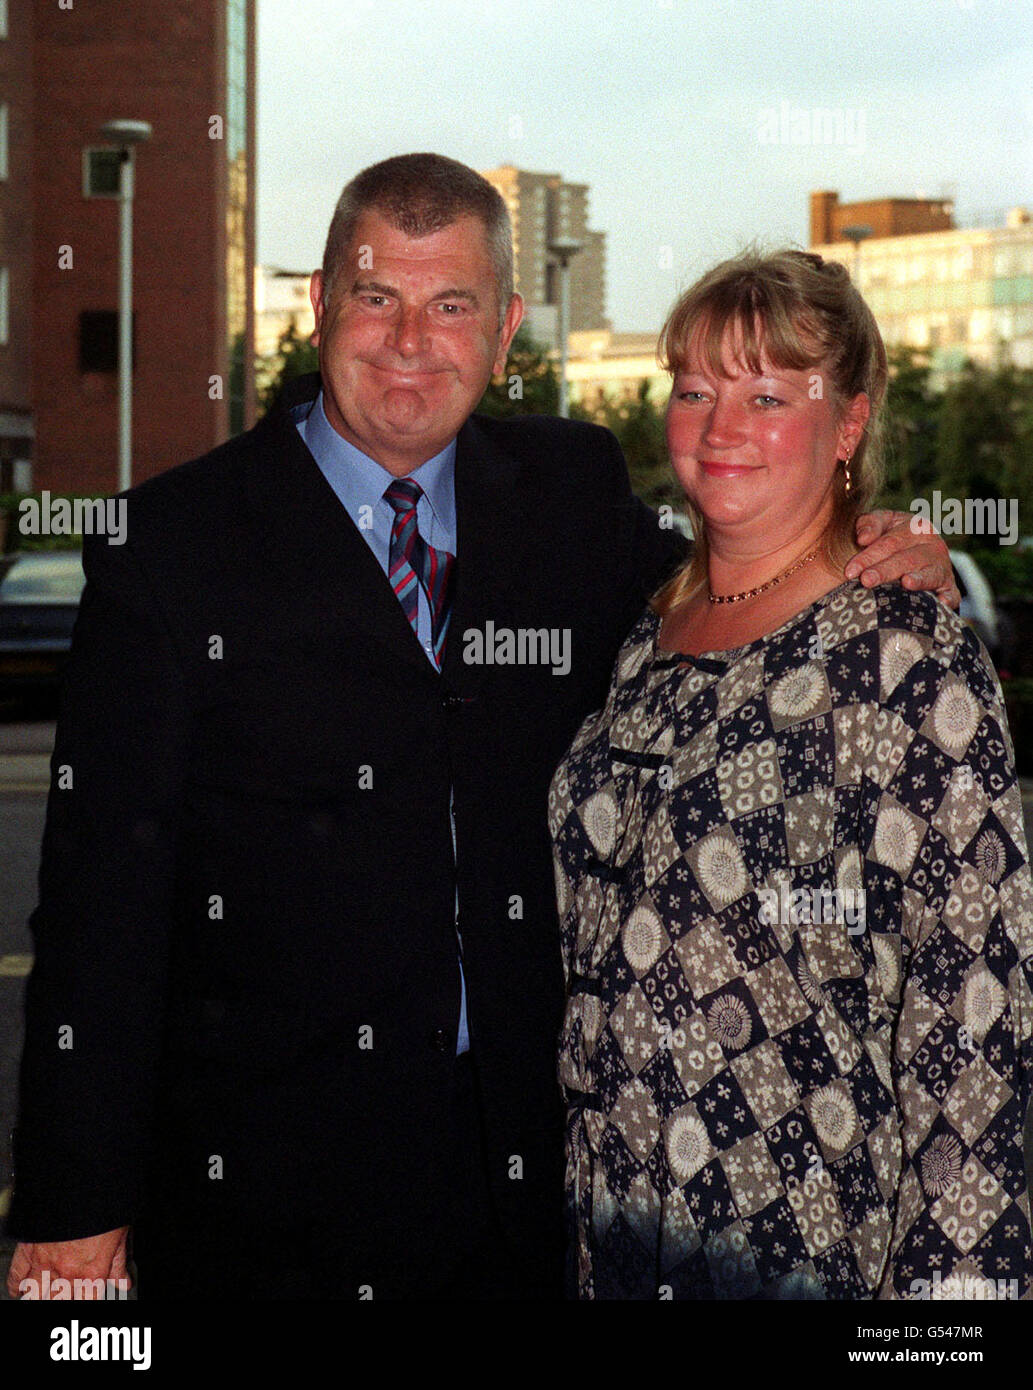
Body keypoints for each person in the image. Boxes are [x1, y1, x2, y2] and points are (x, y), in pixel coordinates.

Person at [5, 160, 955, 1301]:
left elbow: (738, 589)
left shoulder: (565, 494)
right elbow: (99, 907)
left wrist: (873, 553)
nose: (411, 340)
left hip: (528, 1196)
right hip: (259, 1198)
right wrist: (73, 1216)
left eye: (450, 304)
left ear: (504, 328)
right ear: (318, 306)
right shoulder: (170, 547)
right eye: (376, 298)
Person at [550, 247, 1033, 1300]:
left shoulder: (900, 655)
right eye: (693, 391)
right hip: (612, 1241)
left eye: (767, 394)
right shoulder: (645, 638)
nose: (720, 428)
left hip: (801, 1250)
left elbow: (974, 1025)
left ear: (847, 423)